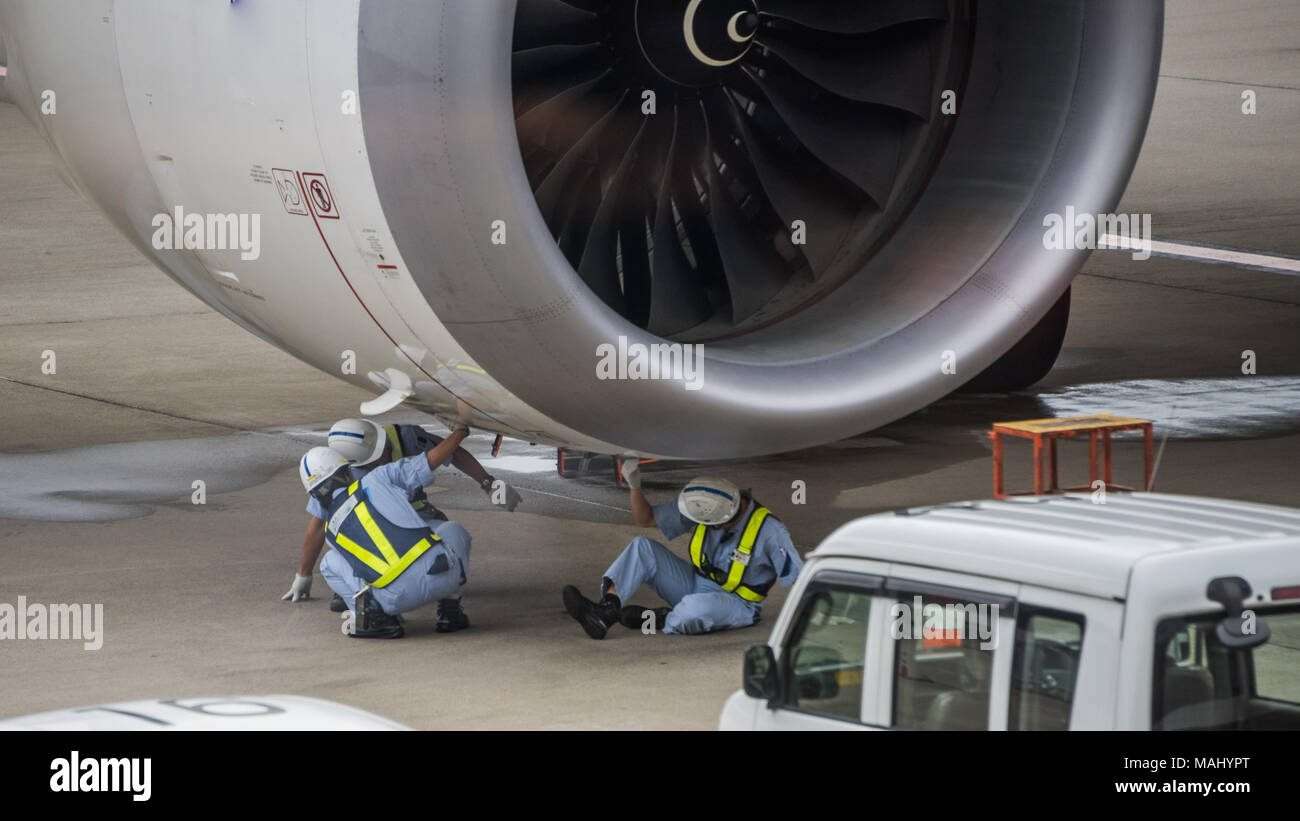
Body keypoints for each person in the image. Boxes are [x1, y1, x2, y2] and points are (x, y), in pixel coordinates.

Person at [283, 418, 521, 614]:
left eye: (384, 445)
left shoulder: (402, 437)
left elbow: (449, 454)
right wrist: (303, 573)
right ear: (350, 466)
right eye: (377, 455)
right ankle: (443, 596)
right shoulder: (345, 473)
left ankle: (374, 608)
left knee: (445, 531)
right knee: (451, 536)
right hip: (389, 538)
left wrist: (489, 483)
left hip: (415, 521)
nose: (386, 451)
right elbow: (317, 525)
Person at [562, 460, 803, 639]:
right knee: (642, 547)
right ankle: (605, 612)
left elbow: (801, 578)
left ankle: (663, 618)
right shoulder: (707, 500)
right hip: (695, 583)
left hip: (737, 604)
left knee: (694, 610)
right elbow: (645, 519)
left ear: (717, 522)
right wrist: (634, 486)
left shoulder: (770, 531)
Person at [293, 423, 473, 638]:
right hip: (441, 578)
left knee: (329, 563)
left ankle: (376, 619)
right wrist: (461, 432)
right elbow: (430, 460)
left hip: (394, 599)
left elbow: (319, 535)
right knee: (452, 529)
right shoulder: (379, 477)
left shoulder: (332, 530)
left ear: (315, 495)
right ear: (347, 470)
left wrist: (303, 575)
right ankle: (450, 611)